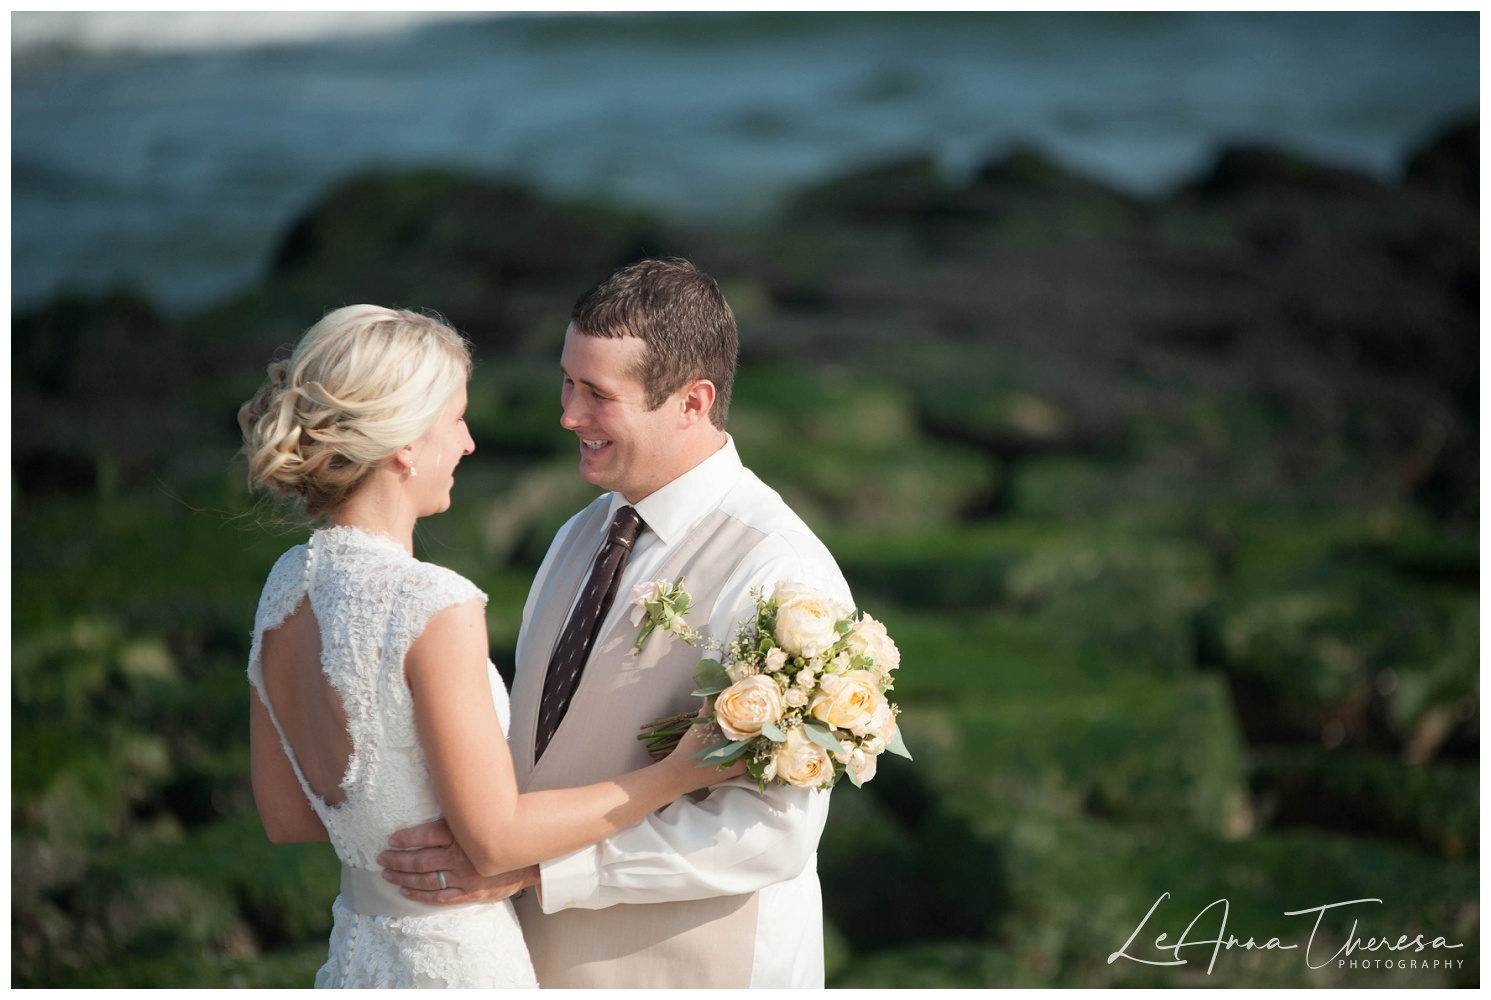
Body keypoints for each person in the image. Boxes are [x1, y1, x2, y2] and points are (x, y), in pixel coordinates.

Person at [377, 259, 854, 988]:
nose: (568, 414)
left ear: (691, 402)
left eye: (598, 395)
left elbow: (768, 835)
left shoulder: (783, 580)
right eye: (567, 382)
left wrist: (538, 866)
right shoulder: (579, 533)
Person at [239, 304, 736, 988]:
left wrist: (391, 831)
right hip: (457, 960)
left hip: (357, 953)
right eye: (455, 421)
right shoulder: (432, 603)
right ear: (406, 445)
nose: (469, 443)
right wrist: (678, 773)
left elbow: (285, 815)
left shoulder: (284, 586)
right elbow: (496, 840)